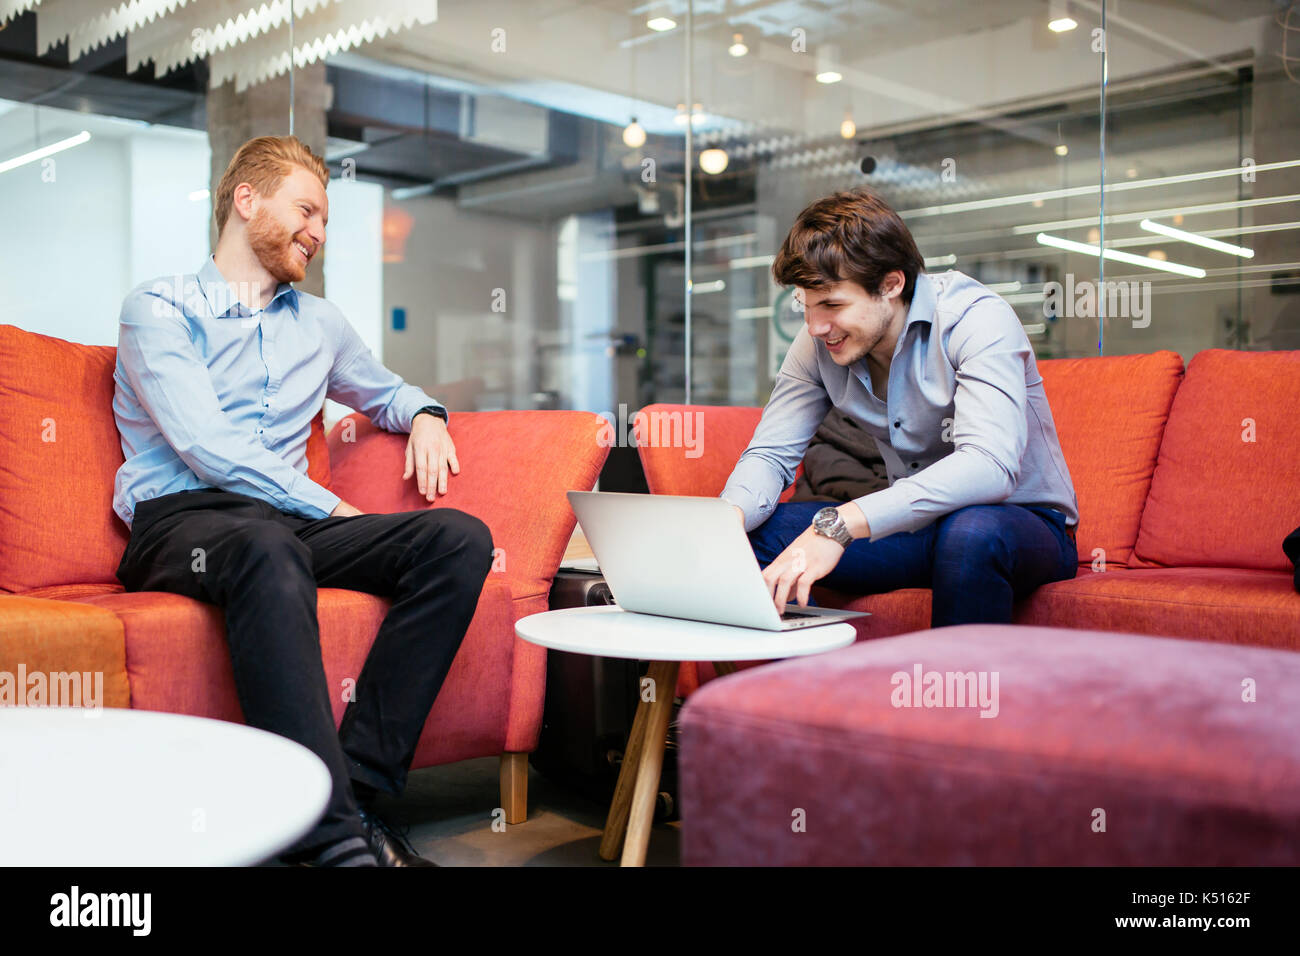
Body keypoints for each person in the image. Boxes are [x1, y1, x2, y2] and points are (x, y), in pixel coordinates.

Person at [112, 135, 493, 866]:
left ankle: (355, 792)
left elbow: (387, 391)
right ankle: (332, 845)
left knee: (457, 540)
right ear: (246, 201)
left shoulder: (320, 324)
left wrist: (425, 415)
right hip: (183, 522)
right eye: (307, 210)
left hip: (285, 528)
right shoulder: (158, 309)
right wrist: (327, 506)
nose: (318, 232)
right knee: (267, 543)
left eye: (325, 220)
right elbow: (206, 445)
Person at [721, 188, 1080, 626]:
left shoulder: (976, 319)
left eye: (833, 304)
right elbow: (771, 454)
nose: (816, 327)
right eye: (806, 304)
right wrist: (727, 520)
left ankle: (959, 695)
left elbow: (989, 465)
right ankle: (766, 693)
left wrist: (839, 524)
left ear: (891, 285)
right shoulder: (816, 342)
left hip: (1018, 527)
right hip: (913, 529)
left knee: (970, 533)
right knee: (749, 536)